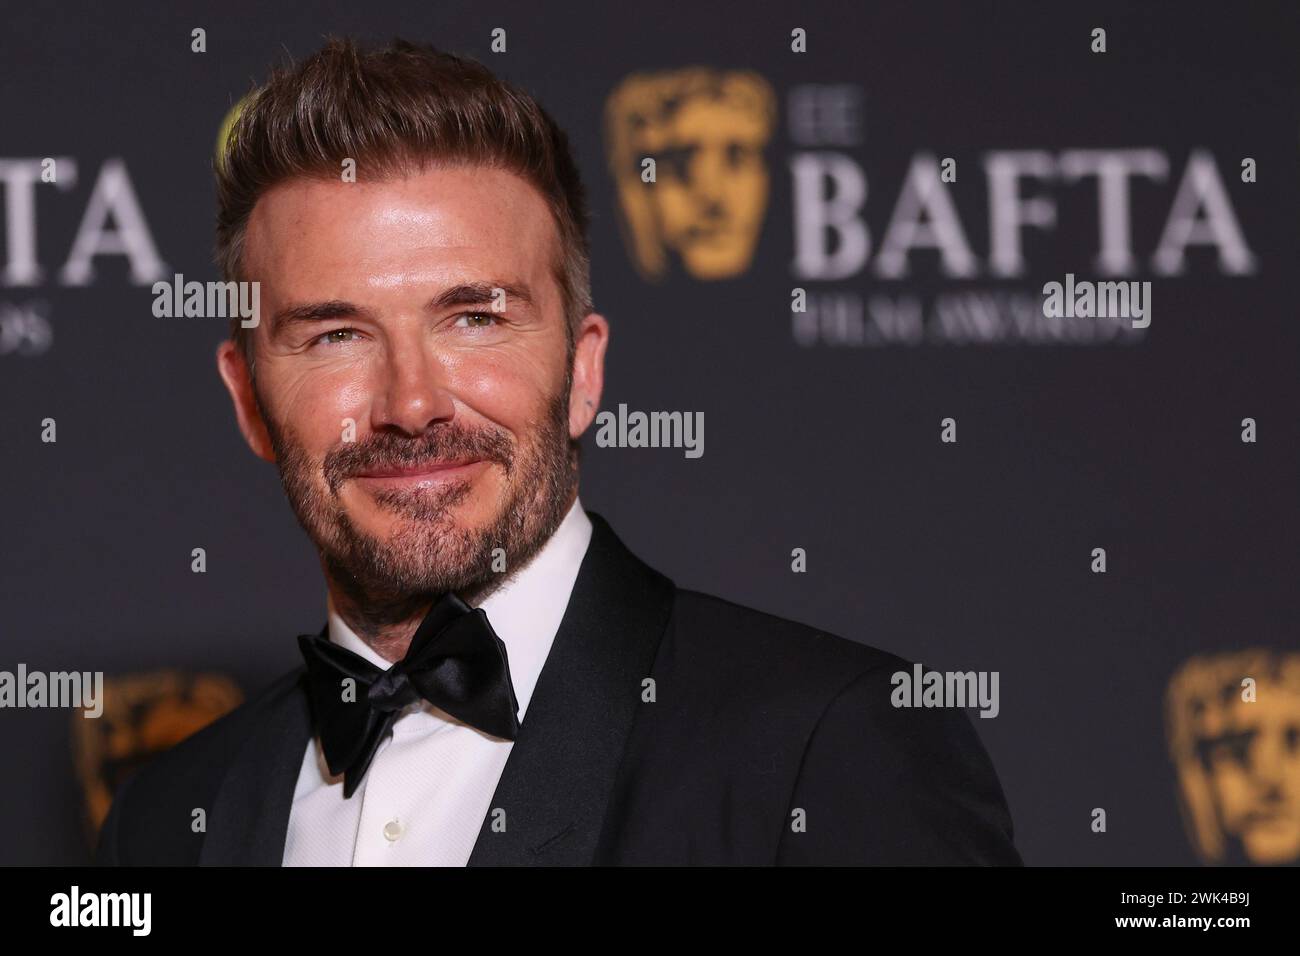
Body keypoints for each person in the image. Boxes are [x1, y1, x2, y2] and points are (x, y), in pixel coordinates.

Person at [95, 37, 1020, 866]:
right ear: (249, 397)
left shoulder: (831, 747)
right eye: (335, 335)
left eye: (473, 319)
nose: (411, 405)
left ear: (582, 372)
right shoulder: (166, 820)